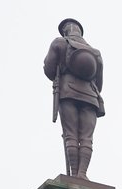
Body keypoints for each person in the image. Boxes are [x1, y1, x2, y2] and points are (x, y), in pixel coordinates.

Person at [43, 18, 105, 180]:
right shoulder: (96, 53)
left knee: (70, 135)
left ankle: (75, 172)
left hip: (67, 92)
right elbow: (99, 83)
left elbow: (49, 69)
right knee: (86, 138)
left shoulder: (59, 43)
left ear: (65, 31)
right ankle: (82, 174)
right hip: (91, 97)